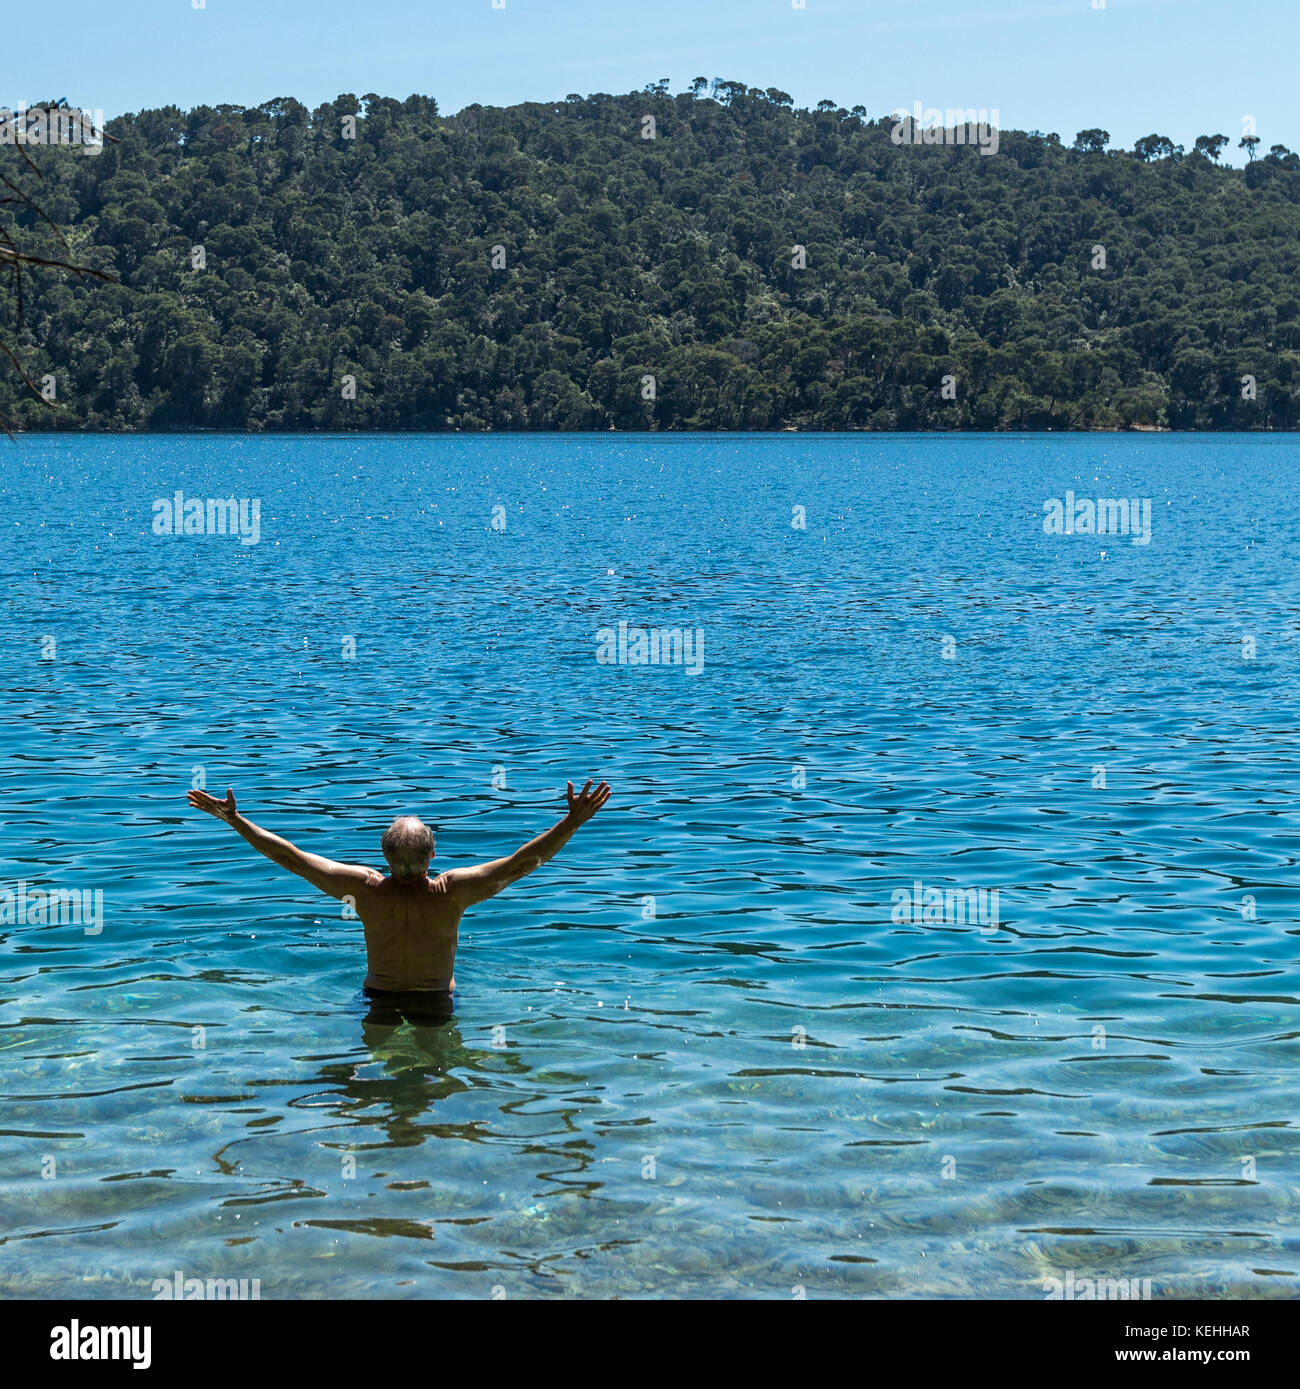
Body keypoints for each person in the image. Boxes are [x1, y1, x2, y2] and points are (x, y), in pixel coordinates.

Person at [186, 779, 612, 1025]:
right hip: (436, 1002)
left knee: (373, 1072)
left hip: (378, 998)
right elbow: (523, 864)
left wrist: (235, 819)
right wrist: (573, 820)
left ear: (385, 855)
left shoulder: (366, 890)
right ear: (433, 854)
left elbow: (290, 858)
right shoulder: (454, 891)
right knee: (439, 1080)